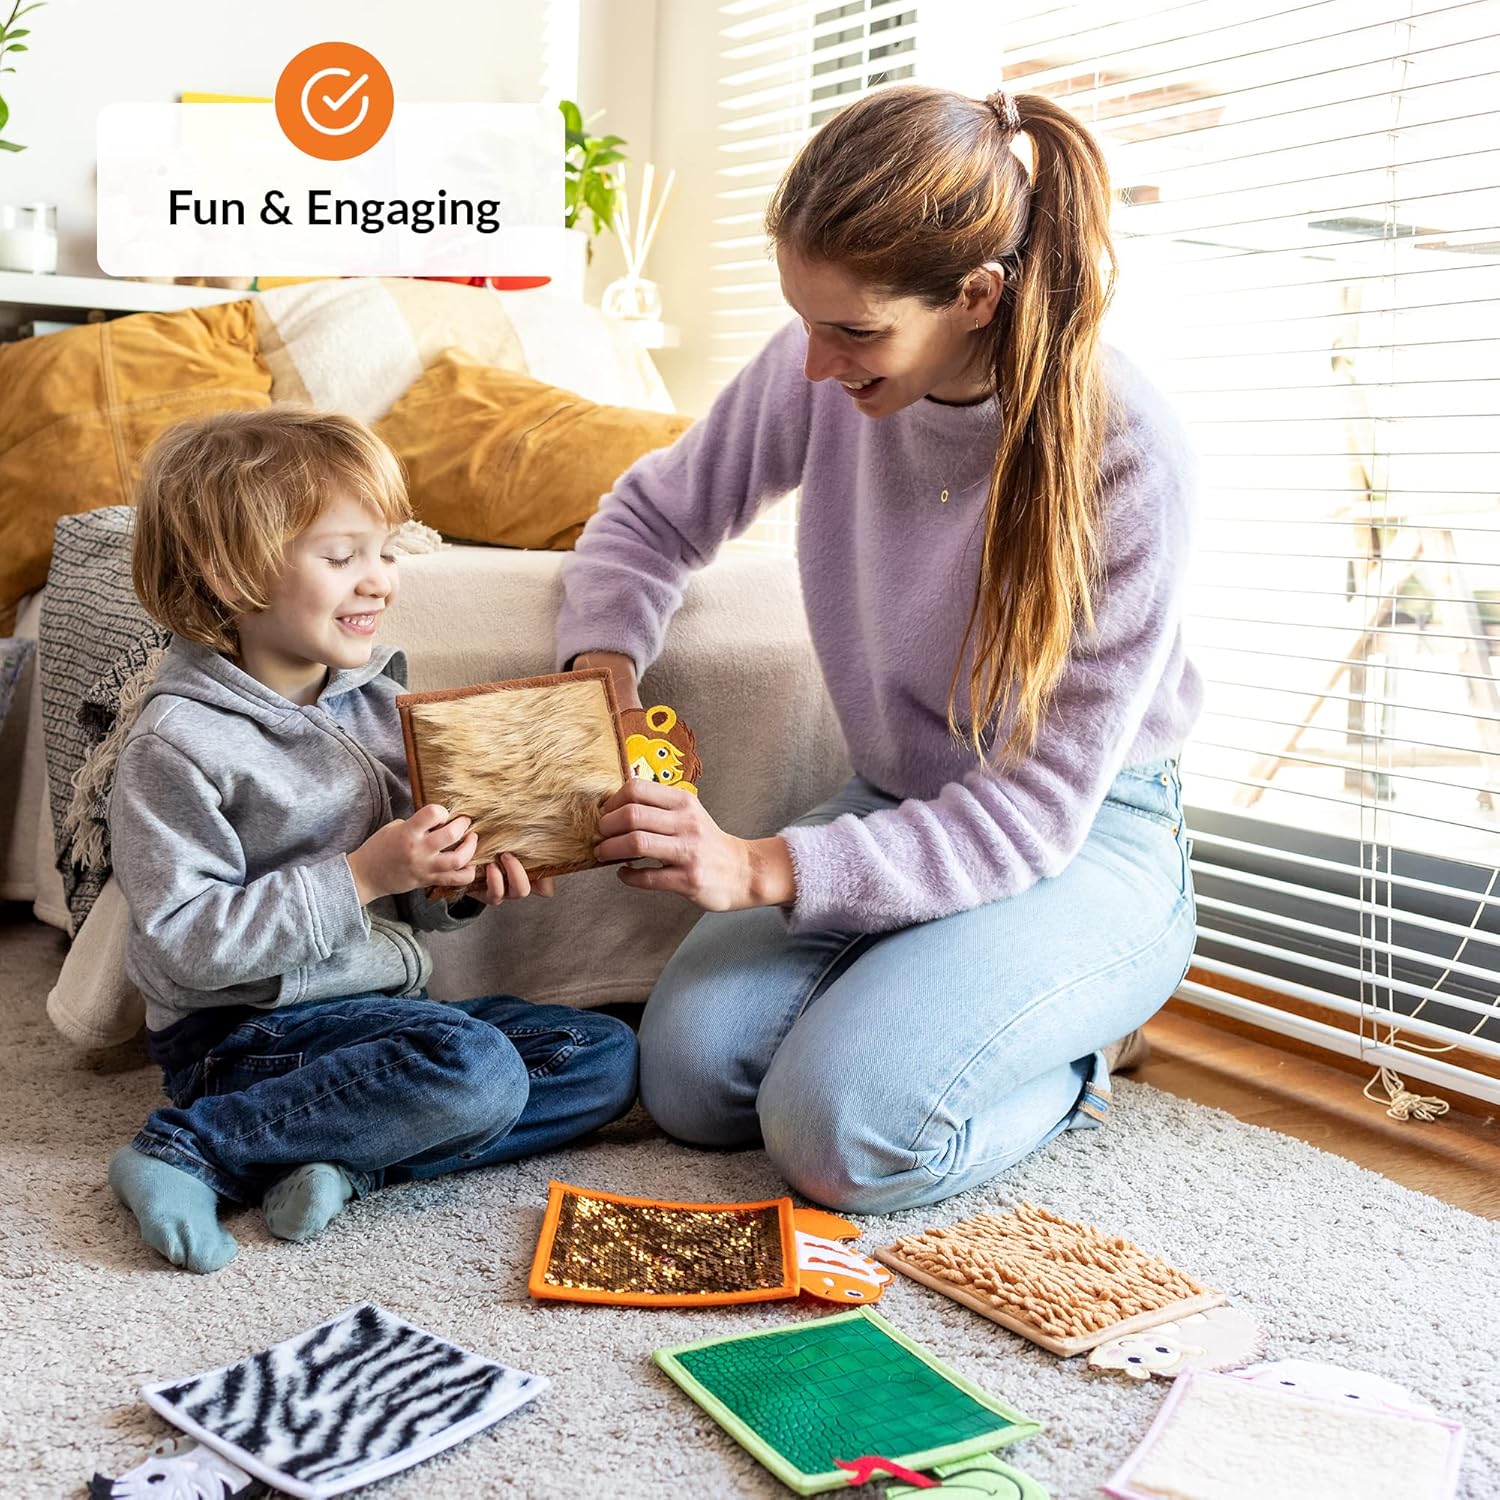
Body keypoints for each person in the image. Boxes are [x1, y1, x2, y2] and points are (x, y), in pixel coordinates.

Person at [557, 84, 1200, 1214]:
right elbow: (652, 518)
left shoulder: (1125, 453)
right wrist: (601, 668)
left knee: (841, 1136)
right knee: (692, 1083)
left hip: (1085, 835)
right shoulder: (821, 363)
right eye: (807, 321)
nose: (814, 366)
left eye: (853, 333)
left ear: (976, 296)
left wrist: (762, 867)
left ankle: (1082, 1041)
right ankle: (932, 993)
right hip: (897, 799)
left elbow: (1033, 813)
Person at [107, 408, 638, 1273]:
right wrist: (359, 873)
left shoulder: (370, 701)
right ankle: (189, 1147)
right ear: (228, 570)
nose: (379, 582)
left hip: (377, 1014)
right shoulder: (179, 743)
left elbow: (410, 905)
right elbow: (184, 943)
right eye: (341, 555)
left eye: (386, 551)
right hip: (240, 1034)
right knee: (474, 1068)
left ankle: (342, 1164)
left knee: (605, 1058)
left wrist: (453, 885)